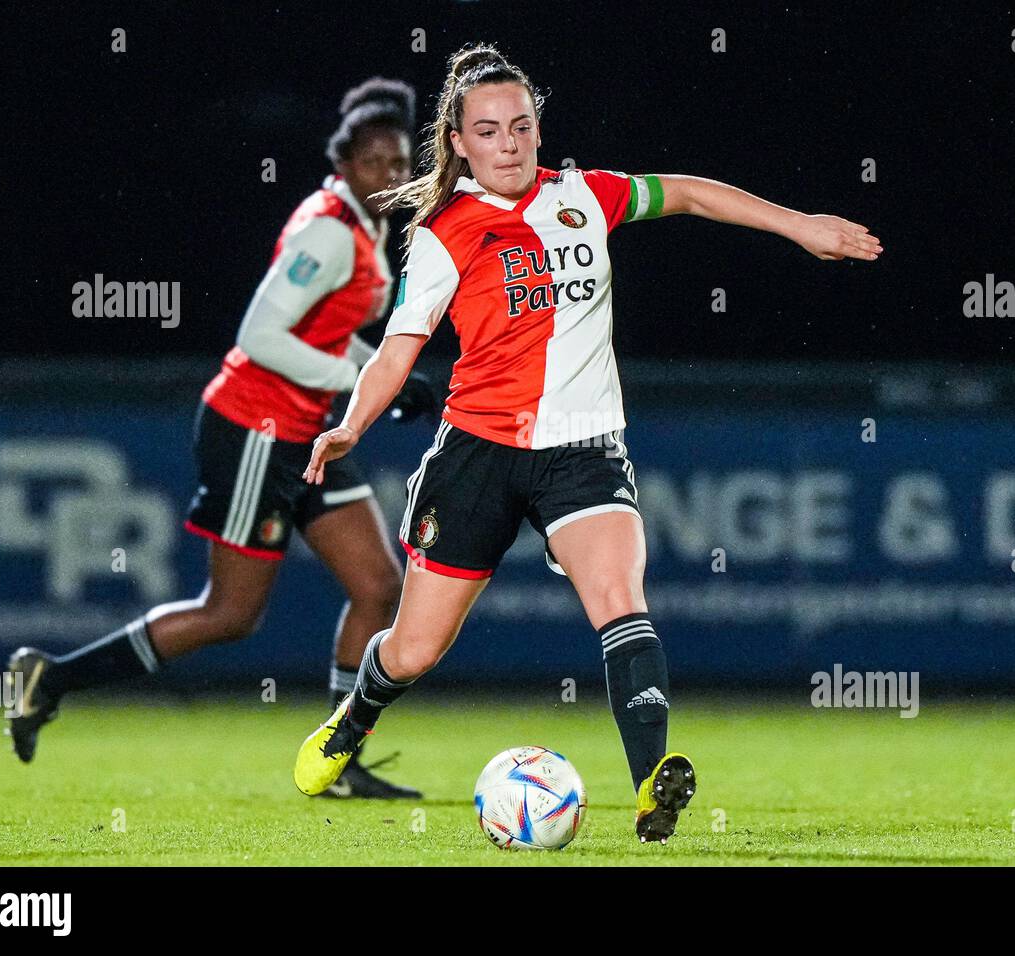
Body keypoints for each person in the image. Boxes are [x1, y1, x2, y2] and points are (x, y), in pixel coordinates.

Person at [291, 44, 883, 842]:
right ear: (458, 142)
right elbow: (398, 350)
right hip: (479, 452)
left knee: (620, 600)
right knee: (416, 649)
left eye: (521, 126)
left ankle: (650, 789)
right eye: (488, 131)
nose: (508, 143)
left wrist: (798, 225)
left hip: (584, 449)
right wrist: (351, 425)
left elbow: (689, 195)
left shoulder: (584, 197)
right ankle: (353, 718)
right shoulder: (442, 233)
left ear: (538, 131)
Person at [7, 78, 436, 800]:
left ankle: (337, 757)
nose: (389, 176)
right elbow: (259, 336)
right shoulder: (328, 230)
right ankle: (52, 680)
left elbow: (327, 331)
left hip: (306, 433)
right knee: (230, 614)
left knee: (379, 586)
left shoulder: (367, 225)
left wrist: (387, 374)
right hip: (255, 430)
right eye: (374, 162)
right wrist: (355, 374)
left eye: (400, 163)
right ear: (344, 162)